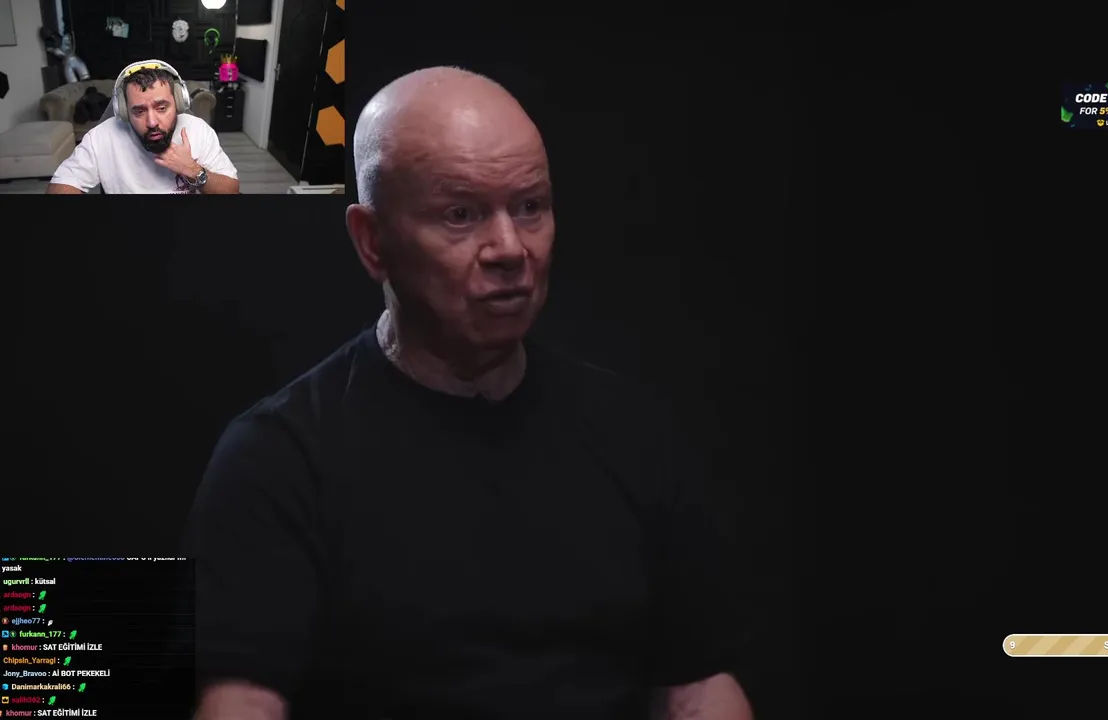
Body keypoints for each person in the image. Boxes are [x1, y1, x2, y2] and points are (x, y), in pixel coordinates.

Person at [185, 67, 753, 719]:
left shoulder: (632, 434)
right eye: (461, 215)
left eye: (530, 207)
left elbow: (699, 686)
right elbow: (241, 703)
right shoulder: (277, 461)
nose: (510, 248)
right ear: (372, 242)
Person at [48, 60, 238, 194]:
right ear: (124, 111)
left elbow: (231, 189)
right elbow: (61, 185)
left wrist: (193, 170)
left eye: (162, 108)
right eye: (139, 111)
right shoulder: (101, 138)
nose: (152, 122)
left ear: (178, 103)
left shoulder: (198, 131)